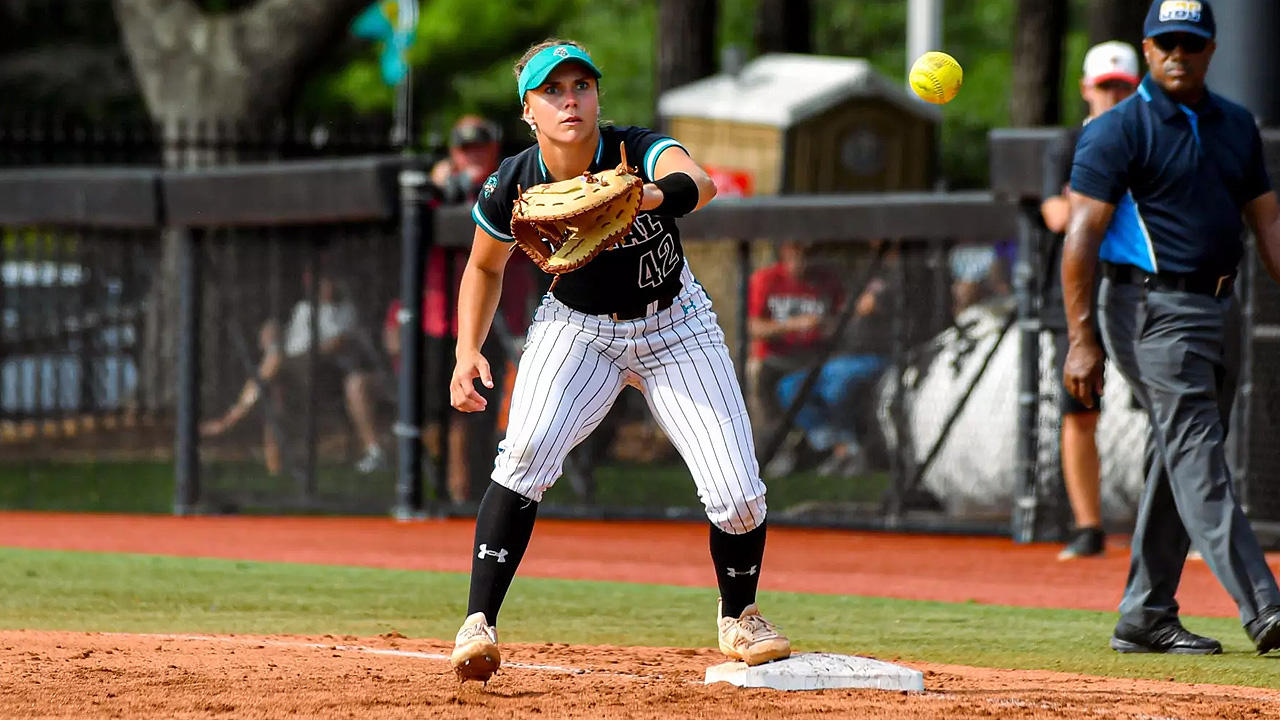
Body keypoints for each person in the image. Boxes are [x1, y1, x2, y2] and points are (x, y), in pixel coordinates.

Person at [447, 39, 791, 681]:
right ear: (529, 110)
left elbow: (702, 182)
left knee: (739, 495)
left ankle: (739, 616)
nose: (569, 100)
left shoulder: (636, 150)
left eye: (580, 86)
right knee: (523, 457)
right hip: (577, 331)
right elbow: (484, 266)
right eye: (553, 91)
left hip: (676, 327)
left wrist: (645, 197)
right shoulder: (514, 180)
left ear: (597, 96)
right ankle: (478, 624)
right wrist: (468, 350)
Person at [1062, 0, 1280, 656]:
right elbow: (1081, 237)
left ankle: (1145, 613)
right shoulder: (1118, 129)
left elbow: (1267, 221)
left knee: (1176, 457)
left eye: (1190, 42)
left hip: (1221, 307)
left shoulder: (1237, 126)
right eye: (1165, 43)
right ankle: (1265, 606)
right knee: (1196, 454)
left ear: (1210, 48)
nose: (1176, 54)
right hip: (1148, 311)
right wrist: (1081, 340)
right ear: (1148, 48)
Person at [1041, 41, 1141, 560]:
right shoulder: (1066, 142)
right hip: (1078, 296)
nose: (1112, 95)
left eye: (1121, 86)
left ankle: (1168, 527)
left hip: (1140, 289)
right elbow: (1059, 216)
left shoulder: (1149, 138)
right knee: (1080, 407)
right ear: (1085, 88)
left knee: (1161, 410)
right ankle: (1087, 527)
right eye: (1104, 86)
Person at [202, 270, 385, 474]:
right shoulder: (303, 309)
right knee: (274, 391)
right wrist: (273, 331)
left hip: (323, 372)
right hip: (292, 369)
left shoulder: (346, 311)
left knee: (275, 361)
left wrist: (307, 351)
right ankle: (274, 468)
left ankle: (230, 419)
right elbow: (289, 338)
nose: (324, 288)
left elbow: (338, 344)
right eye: (319, 283)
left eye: (327, 282)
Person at [747, 241, 889, 478]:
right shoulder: (766, 279)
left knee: (833, 387)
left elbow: (843, 320)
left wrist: (828, 327)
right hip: (777, 359)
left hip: (816, 358)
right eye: (798, 253)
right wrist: (794, 324)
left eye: (809, 254)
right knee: (768, 385)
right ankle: (785, 450)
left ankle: (836, 449)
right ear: (785, 252)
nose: (804, 261)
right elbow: (754, 327)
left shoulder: (826, 281)